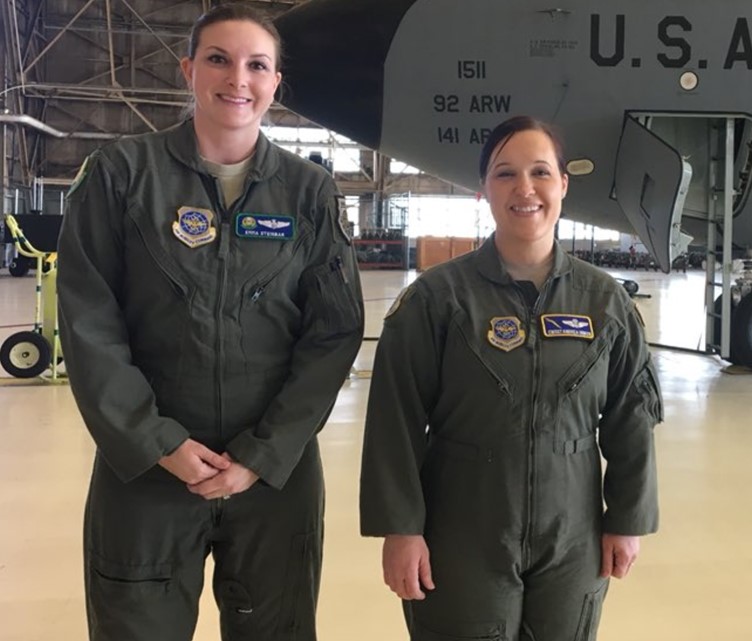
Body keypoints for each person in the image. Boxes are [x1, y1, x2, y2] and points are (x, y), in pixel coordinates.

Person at [56, 5, 364, 640]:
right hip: (147, 473)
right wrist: (156, 442)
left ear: (276, 83)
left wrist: (264, 453)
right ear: (188, 70)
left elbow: (332, 333)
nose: (238, 79)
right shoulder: (122, 176)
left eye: (257, 65)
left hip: (273, 478)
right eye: (219, 59)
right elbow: (89, 321)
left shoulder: (310, 193)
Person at [361, 115, 663, 641]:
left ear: (563, 185)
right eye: (505, 174)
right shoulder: (437, 300)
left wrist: (627, 519)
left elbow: (631, 419)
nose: (525, 188)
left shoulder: (605, 303)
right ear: (484, 190)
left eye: (540, 172)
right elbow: (395, 421)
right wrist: (401, 529)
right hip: (461, 531)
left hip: (573, 536)